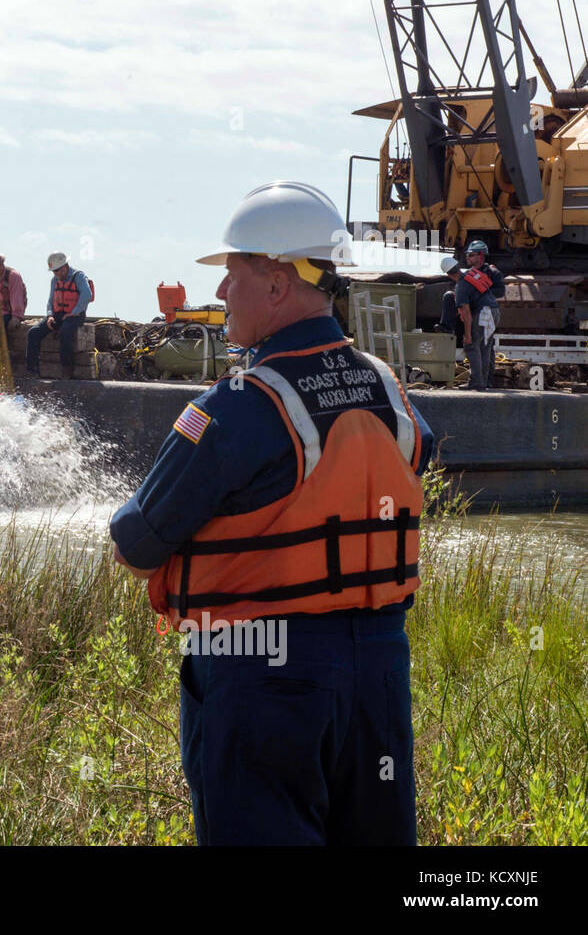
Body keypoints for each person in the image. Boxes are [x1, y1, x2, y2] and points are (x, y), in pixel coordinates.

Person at [110, 181, 434, 846]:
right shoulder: (389, 389)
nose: (223, 294)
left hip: (262, 677)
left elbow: (137, 544)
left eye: (232, 274)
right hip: (379, 673)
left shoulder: (234, 407)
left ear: (278, 283)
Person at [25, 251, 91, 379]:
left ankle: (67, 370)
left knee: (65, 332)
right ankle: (32, 370)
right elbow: (50, 301)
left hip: (75, 315)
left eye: (56, 271)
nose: (55, 274)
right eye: (53, 271)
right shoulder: (54, 280)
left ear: (65, 266)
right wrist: (50, 315)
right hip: (58, 314)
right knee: (33, 332)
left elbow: (87, 295)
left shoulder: (79, 276)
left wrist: (74, 312)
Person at [453, 239, 501, 391]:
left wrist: (467, 335)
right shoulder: (474, 276)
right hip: (494, 311)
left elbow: (466, 313)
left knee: (472, 346)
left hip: (484, 313)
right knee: (485, 347)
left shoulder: (462, 284)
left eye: (471, 255)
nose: (467, 258)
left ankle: (476, 382)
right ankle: (484, 382)